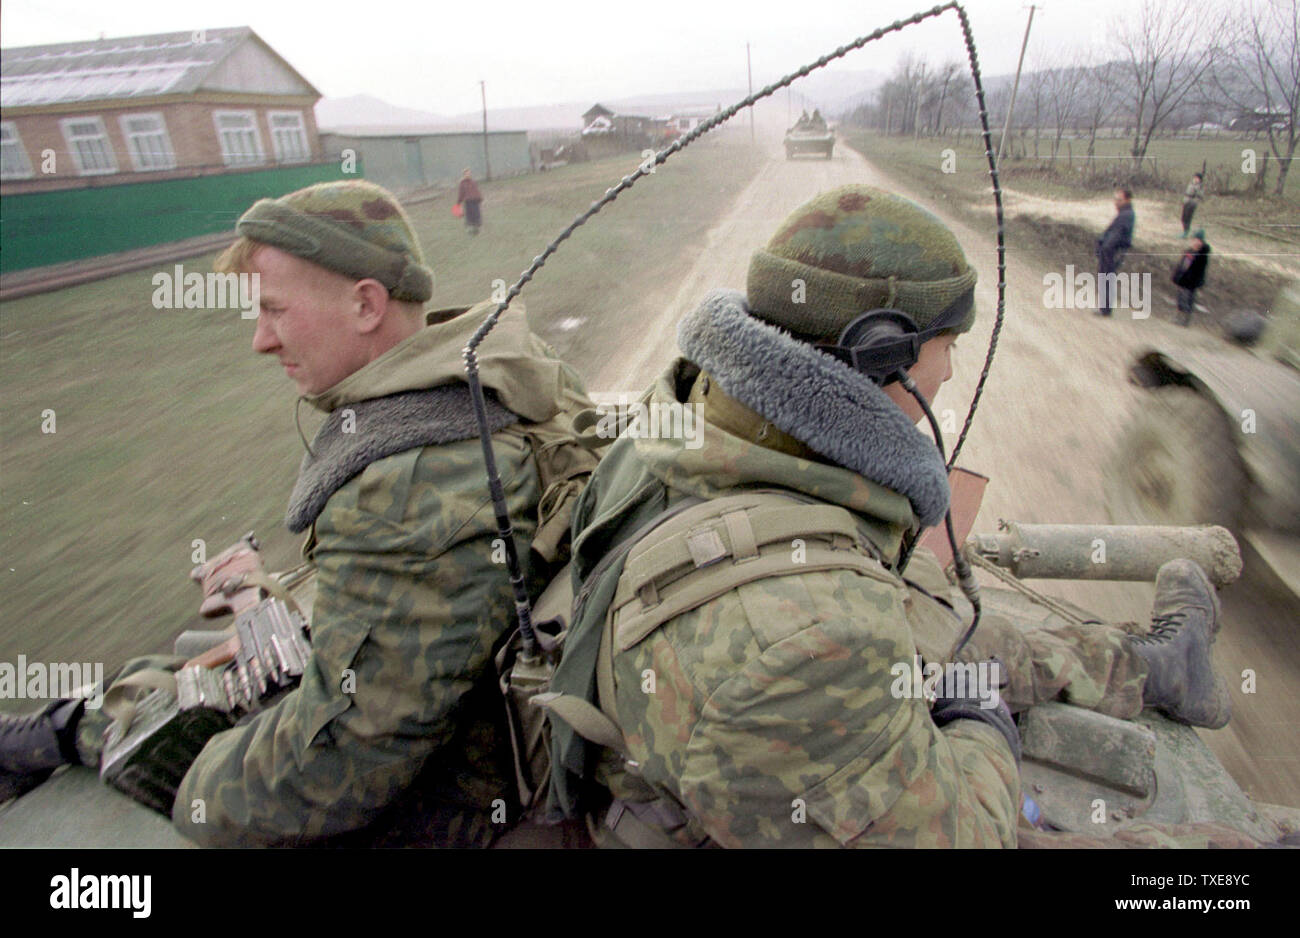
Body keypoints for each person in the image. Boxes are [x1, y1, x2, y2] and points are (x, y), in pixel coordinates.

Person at [546, 185, 1238, 849]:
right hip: (730, 774)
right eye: (949, 344)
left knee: (963, 625)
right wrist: (980, 715)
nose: (951, 371)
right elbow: (964, 836)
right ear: (884, 354)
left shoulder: (698, 414)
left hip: (743, 681)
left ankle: (1160, 668)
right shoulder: (800, 642)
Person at [0, 179, 597, 847]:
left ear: (366, 303)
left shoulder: (407, 485)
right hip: (478, 717)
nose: (260, 340)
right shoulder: (505, 371)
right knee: (196, 665)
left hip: (458, 803)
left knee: (174, 732)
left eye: (275, 310)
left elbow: (336, 763)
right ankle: (54, 730)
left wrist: (189, 786)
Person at [1096, 187, 1135, 317]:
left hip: (1112, 251)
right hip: (1112, 250)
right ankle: (1104, 308)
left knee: (1106, 277)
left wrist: (1105, 248)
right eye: (1115, 199)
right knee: (1106, 277)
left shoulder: (1126, 215)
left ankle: (1105, 309)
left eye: (1119, 199)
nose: (1116, 202)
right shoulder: (1125, 213)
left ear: (1127, 200)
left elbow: (1116, 235)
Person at [1172, 229, 1211, 326]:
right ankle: (1179, 316)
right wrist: (1176, 276)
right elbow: (1182, 265)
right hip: (1183, 279)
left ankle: (1185, 319)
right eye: (1193, 239)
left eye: (1197, 240)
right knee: (1180, 297)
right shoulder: (1189, 251)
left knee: (1188, 298)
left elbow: (1199, 268)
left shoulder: (1202, 255)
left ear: (1201, 242)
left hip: (1191, 281)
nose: (1194, 242)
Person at [457, 168, 484, 235]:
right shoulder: (462, 183)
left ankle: (476, 230)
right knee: (470, 216)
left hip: (475, 200)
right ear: (464, 174)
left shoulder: (473, 181)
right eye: (466, 173)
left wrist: (480, 198)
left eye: (469, 173)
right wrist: (459, 202)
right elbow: (461, 193)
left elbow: (476, 191)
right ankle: (470, 231)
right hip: (468, 201)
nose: (468, 174)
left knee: (477, 215)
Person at [1181, 173, 1204, 238]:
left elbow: (1200, 196)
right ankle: (1185, 231)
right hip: (1186, 201)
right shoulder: (1191, 184)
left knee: (1187, 218)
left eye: (1197, 178)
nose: (1195, 179)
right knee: (1183, 217)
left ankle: (1186, 232)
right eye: (1195, 177)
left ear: (1200, 180)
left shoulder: (1199, 186)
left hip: (1192, 203)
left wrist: (1193, 202)